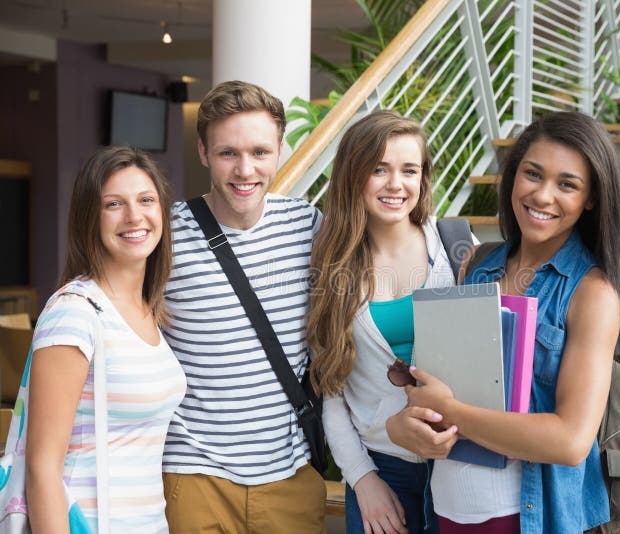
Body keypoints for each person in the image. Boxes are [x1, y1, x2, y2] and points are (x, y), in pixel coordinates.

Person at [386, 111, 620, 533]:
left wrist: (450, 410)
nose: (543, 195)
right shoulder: (477, 264)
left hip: (526, 517)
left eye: (567, 184)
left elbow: (571, 441)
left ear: (591, 198)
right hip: (448, 508)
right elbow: (446, 389)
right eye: (532, 174)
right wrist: (402, 423)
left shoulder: (592, 293)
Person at [161, 80, 326, 533]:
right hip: (194, 474)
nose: (244, 169)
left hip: (290, 474)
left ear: (280, 150)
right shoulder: (164, 234)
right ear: (203, 152)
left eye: (259, 152)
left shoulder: (307, 225)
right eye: (227, 153)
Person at [307, 110, 460, 534]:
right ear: (353, 175)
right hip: (382, 471)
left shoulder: (455, 251)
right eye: (379, 169)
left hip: (460, 465)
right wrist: (362, 478)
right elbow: (332, 392)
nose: (396, 184)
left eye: (409, 170)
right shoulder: (330, 268)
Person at [26, 145, 186, 532]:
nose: (134, 216)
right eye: (114, 204)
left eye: (146, 200)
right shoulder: (74, 313)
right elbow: (42, 468)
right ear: (90, 218)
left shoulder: (147, 310)